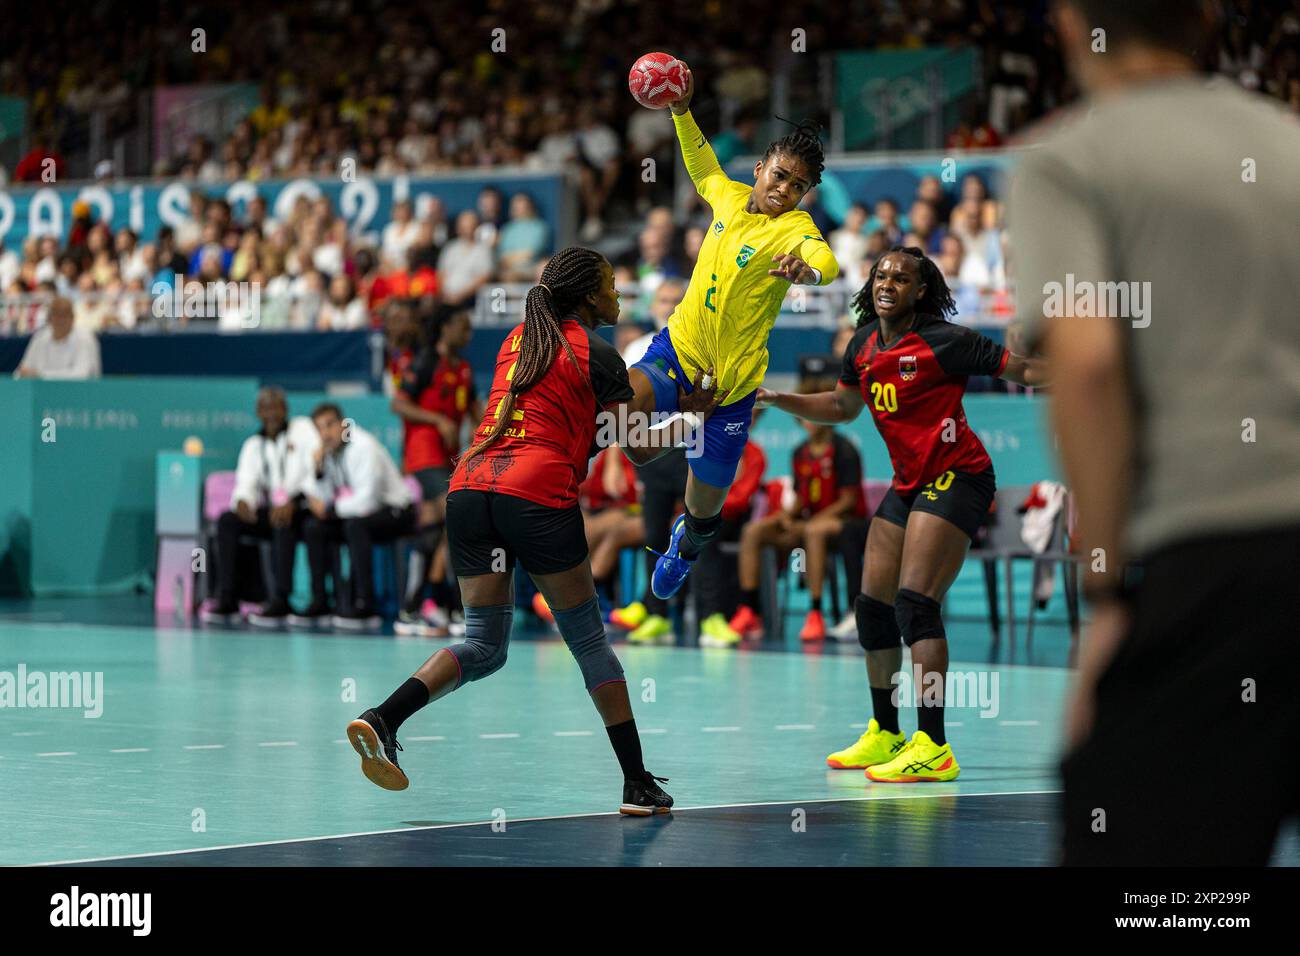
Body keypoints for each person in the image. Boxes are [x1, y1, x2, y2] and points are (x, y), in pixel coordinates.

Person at [1010, 0, 1300, 865]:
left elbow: (1089, 362)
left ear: (1067, 25)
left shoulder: (1069, 158)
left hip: (1213, 562)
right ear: (1205, 18)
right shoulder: (1287, 141)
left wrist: (1109, 585)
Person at [346, 246, 723, 815]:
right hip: (535, 492)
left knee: (483, 644)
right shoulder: (599, 354)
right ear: (588, 296)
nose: (619, 295)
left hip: (470, 487)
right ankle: (636, 783)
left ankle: (382, 718)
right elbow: (639, 448)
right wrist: (695, 417)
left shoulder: (516, 341)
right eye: (611, 286)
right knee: (590, 642)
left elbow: (575, 422)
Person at [757, 247, 1043, 780]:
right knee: (873, 606)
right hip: (909, 482)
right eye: (882, 274)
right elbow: (842, 408)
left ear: (921, 291)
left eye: (902, 278)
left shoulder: (947, 341)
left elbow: (1024, 369)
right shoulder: (862, 343)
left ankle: (932, 744)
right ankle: (886, 734)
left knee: (916, 604)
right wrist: (777, 398)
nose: (888, 283)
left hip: (958, 476)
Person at [626, 62, 840, 609]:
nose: (786, 189)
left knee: (703, 514)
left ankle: (684, 546)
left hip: (731, 388)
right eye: (780, 175)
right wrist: (679, 109)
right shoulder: (726, 196)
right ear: (763, 166)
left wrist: (808, 272)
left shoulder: (796, 230)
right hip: (678, 350)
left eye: (799, 185)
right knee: (623, 419)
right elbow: (700, 163)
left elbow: (827, 262)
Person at [722, 381, 867, 644]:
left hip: (846, 526)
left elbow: (848, 501)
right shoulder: (800, 453)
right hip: (810, 525)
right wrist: (786, 516)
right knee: (754, 531)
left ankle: (815, 613)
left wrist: (813, 520)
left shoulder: (844, 450)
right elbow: (801, 497)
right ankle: (749, 610)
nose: (808, 419)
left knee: (813, 530)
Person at [390, 310, 483, 636]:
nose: (469, 334)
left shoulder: (465, 370)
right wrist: (438, 420)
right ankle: (452, 608)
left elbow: (477, 412)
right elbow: (398, 404)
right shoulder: (424, 361)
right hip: (421, 457)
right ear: (445, 327)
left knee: (435, 528)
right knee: (455, 513)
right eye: (463, 326)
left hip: (449, 461)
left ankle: (417, 608)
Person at [200, 387, 317, 627]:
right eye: (265, 408)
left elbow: (314, 470)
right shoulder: (253, 444)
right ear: (257, 413)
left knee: (284, 521)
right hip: (273, 508)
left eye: (275, 407)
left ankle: (281, 598)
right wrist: (243, 502)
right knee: (228, 520)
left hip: (302, 505)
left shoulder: (303, 429)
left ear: (285, 410)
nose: (271, 413)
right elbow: (246, 483)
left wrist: (292, 501)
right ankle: (227, 596)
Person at [301, 404, 417, 630]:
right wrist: (319, 470)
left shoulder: (364, 446)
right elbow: (325, 498)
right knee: (313, 527)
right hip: (358, 516)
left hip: (397, 513)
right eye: (320, 429)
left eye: (330, 425)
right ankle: (321, 601)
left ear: (343, 423)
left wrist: (330, 509)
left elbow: (368, 502)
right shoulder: (329, 453)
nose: (325, 434)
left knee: (354, 526)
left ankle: (365, 604)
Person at [13, 297, 101, 380]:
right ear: (50, 318)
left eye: (64, 315)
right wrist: (24, 374)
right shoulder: (40, 337)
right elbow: (21, 371)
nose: (60, 320)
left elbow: (82, 375)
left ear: (73, 317)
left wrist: (41, 375)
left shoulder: (85, 338)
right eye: (56, 315)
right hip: (43, 393)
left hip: (80, 393)